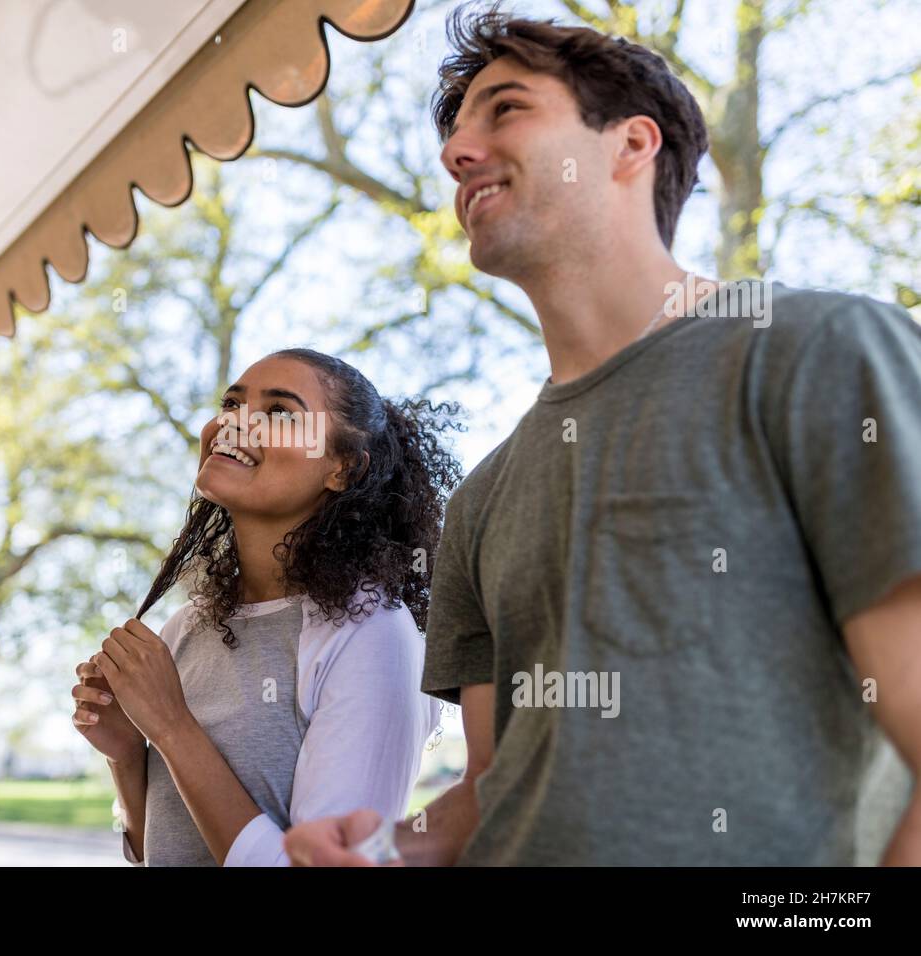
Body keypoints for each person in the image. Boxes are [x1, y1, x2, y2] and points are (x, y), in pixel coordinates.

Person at [285, 2, 921, 866]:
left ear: (630, 145)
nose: (455, 152)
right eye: (456, 130)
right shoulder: (481, 500)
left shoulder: (823, 355)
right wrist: (388, 848)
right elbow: (494, 783)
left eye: (506, 108)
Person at [71, 348, 460, 865]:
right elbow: (156, 851)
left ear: (342, 469)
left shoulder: (374, 634)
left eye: (280, 412)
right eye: (231, 404)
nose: (235, 423)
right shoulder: (186, 626)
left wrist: (169, 725)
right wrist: (125, 752)